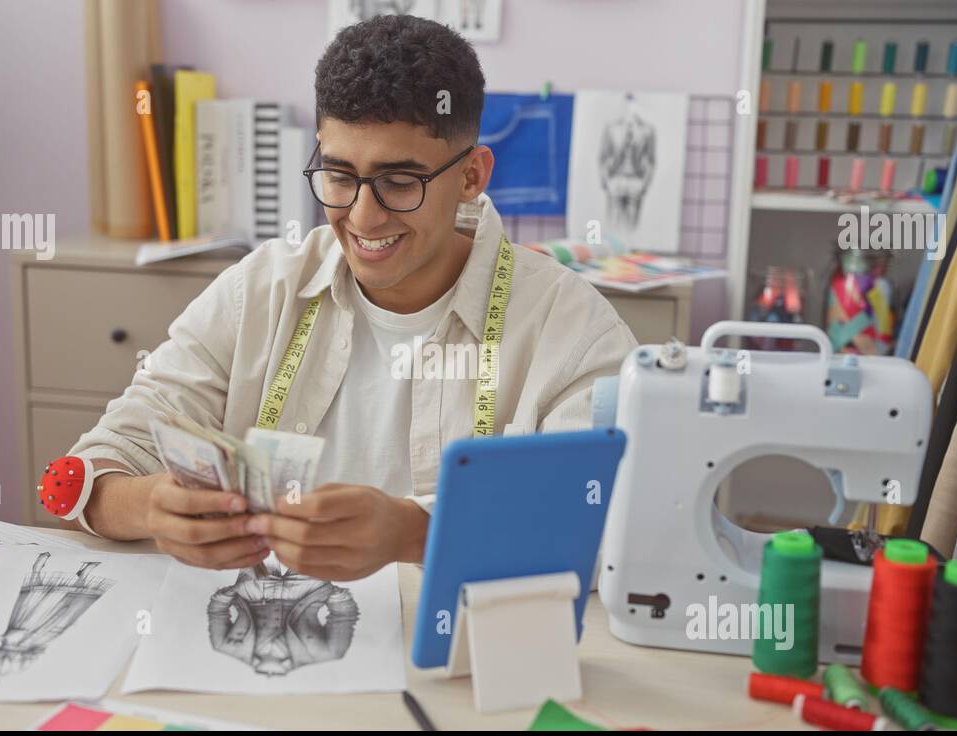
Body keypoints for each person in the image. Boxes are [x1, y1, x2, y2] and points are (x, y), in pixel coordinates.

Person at [68, 15, 636, 581]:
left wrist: (413, 533)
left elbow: (599, 524)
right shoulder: (259, 292)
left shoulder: (572, 329)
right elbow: (93, 465)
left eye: (399, 181)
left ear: (471, 176)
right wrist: (152, 506)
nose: (363, 217)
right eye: (339, 175)